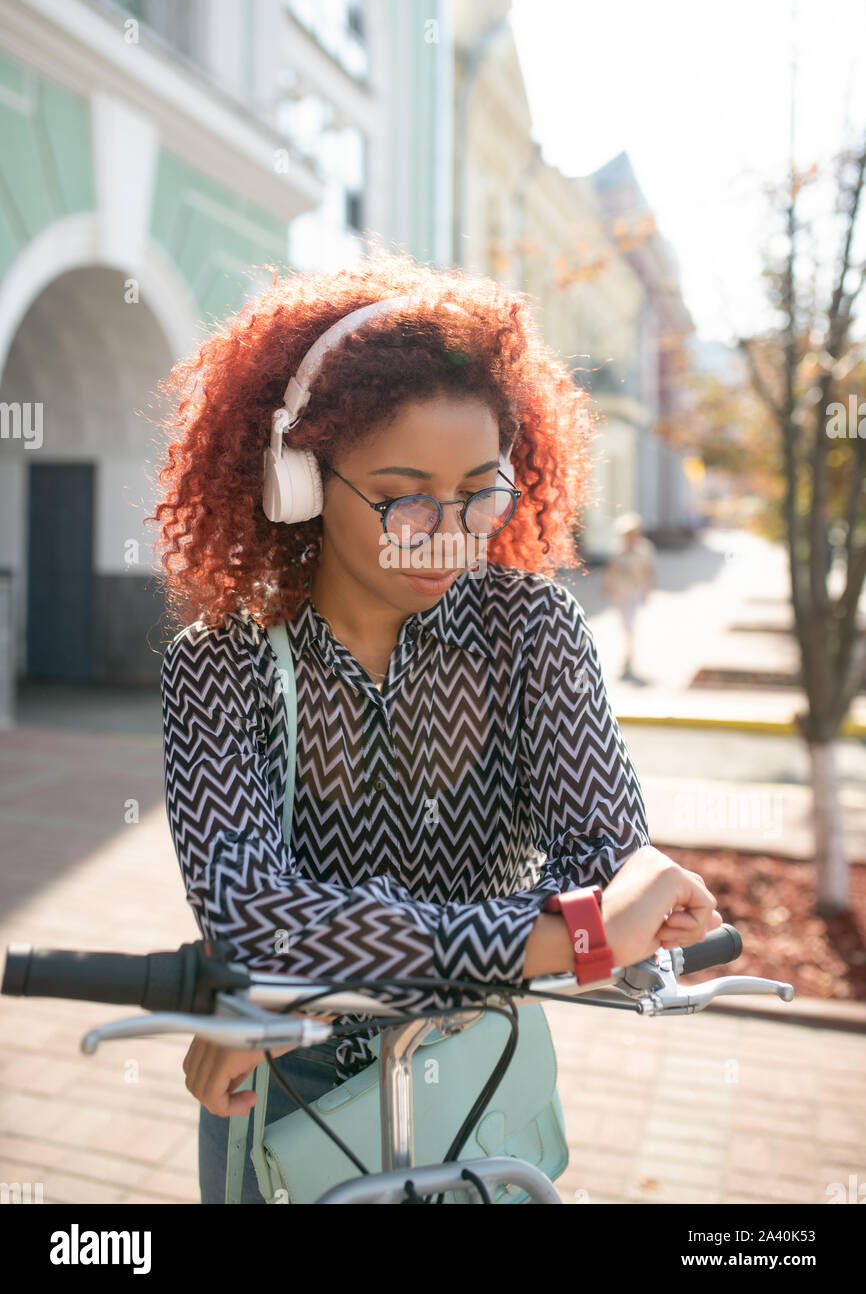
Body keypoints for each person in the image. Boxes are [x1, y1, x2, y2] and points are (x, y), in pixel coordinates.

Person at [150, 250, 721, 1204]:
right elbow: (255, 917)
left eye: (480, 491)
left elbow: (608, 862)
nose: (453, 531)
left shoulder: (530, 626)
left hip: (473, 1089)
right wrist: (568, 935)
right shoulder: (221, 660)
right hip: (285, 1103)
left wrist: (283, 967)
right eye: (406, 494)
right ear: (298, 478)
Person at [602, 513, 656, 680]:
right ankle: (627, 654)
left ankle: (629, 656)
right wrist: (608, 586)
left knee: (629, 625)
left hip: (635, 591)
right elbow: (611, 569)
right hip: (621, 592)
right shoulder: (618, 550)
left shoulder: (644, 549)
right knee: (624, 624)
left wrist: (648, 591)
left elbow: (649, 571)